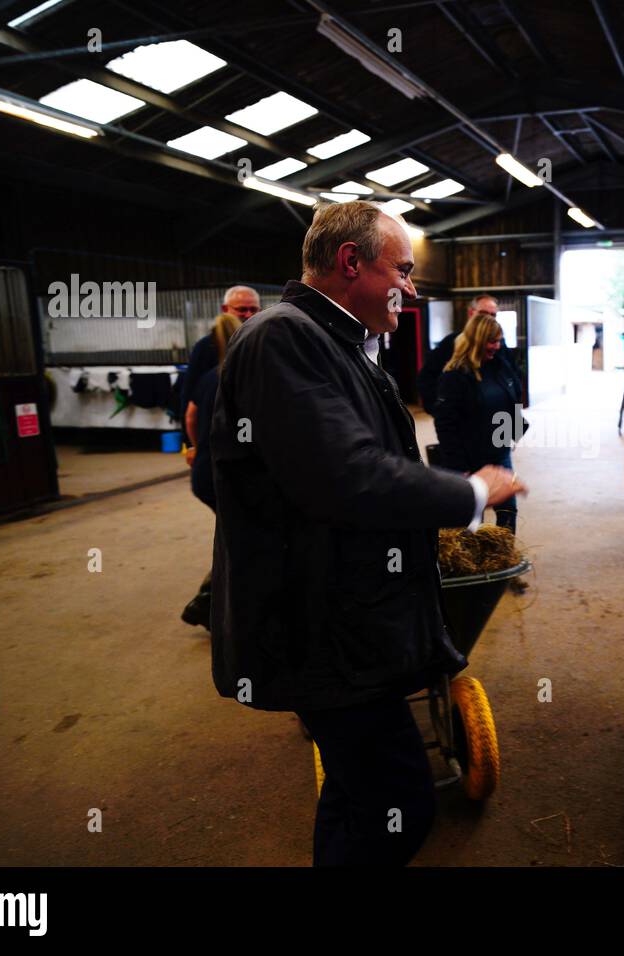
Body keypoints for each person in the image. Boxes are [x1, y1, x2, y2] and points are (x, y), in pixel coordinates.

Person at [209, 200, 525, 867]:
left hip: (352, 623)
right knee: (403, 806)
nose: (410, 291)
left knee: (355, 796)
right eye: (402, 272)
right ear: (351, 261)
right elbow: (346, 475)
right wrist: (469, 493)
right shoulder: (283, 339)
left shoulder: (340, 346)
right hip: (320, 631)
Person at [432, 311, 527, 535]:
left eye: (499, 341)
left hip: (499, 452)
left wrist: (512, 433)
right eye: (492, 341)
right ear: (477, 340)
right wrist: (458, 466)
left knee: (508, 509)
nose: (497, 346)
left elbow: (514, 397)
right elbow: (445, 424)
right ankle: (475, 566)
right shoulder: (454, 376)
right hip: (469, 457)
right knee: (471, 516)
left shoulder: (500, 367)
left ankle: (504, 557)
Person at [179, 309, 242, 628]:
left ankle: (211, 600)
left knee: (232, 534)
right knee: (240, 538)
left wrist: (195, 446)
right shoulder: (243, 377)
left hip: (203, 472)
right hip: (225, 474)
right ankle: (208, 602)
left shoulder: (208, 377)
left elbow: (190, 415)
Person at [178, 285, 260, 442]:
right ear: (225, 308)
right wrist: (189, 442)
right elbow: (190, 392)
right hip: (216, 426)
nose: (248, 314)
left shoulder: (263, 341)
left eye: (253, 309)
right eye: (242, 309)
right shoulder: (206, 347)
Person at [417, 294, 498, 415]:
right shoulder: (451, 343)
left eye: (493, 315)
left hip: (496, 421)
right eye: (484, 313)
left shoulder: (500, 346)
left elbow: (512, 386)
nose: (489, 318)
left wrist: (516, 426)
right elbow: (426, 379)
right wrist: (440, 410)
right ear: (471, 313)